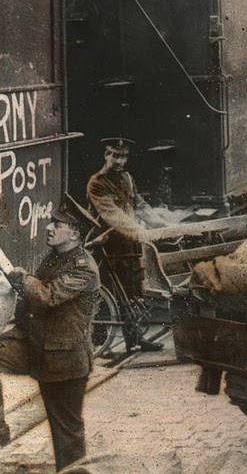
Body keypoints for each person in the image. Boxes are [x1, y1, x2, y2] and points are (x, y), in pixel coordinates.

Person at [0, 194, 101, 470]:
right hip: (37, 348)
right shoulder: (55, 257)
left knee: (66, 430)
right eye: (51, 222)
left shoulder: (84, 268)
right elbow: (36, 290)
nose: (49, 228)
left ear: (75, 233)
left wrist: (16, 273)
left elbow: (47, 296)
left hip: (65, 362)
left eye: (58, 224)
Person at [87, 137, 169, 353]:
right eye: (114, 155)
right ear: (106, 156)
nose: (119, 161)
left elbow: (138, 204)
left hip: (129, 244)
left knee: (132, 291)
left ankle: (135, 340)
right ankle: (97, 344)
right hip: (107, 246)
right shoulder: (97, 183)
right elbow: (111, 214)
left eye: (123, 156)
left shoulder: (126, 178)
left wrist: (160, 224)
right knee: (105, 295)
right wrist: (139, 230)